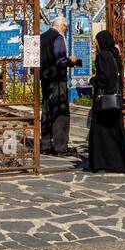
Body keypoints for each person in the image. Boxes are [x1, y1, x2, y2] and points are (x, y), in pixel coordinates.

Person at [88, 30, 125, 174]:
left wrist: (93, 80)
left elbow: (105, 78)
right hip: (116, 99)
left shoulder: (103, 56)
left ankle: (103, 161)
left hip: (104, 101)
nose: (96, 44)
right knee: (115, 131)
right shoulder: (115, 55)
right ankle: (122, 160)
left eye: (97, 41)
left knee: (102, 133)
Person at [39, 17, 81, 156]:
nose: (66, 29)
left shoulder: (42, 37)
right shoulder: (57, 38)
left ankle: (45, 145)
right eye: (65, 27)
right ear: (60, 25)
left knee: (46, 111)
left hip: (45, 78)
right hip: (56, 79)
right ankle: (60, 147)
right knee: (60, 112)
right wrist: (71, 61)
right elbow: (60, 60)